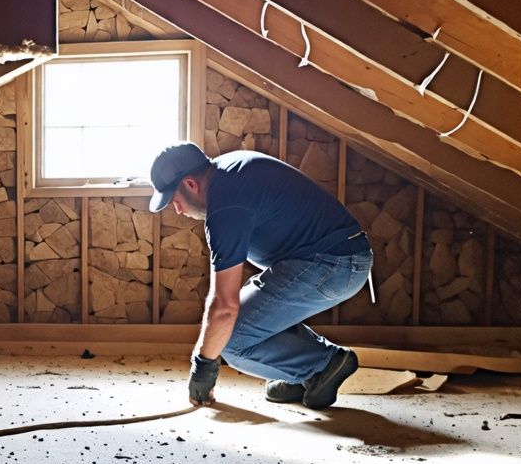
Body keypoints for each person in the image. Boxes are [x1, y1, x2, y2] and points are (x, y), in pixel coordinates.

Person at [148, 141, 372, 409]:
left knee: (230, 341)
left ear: (190, 184)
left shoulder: (226, 207)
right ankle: (302, 373)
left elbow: (224, 306)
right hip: (337, 257)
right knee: (245, 315)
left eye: (175, 201)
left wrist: (203, 367)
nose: (178, 211)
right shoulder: (229, 170)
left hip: (335, 263)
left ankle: (322, 365)